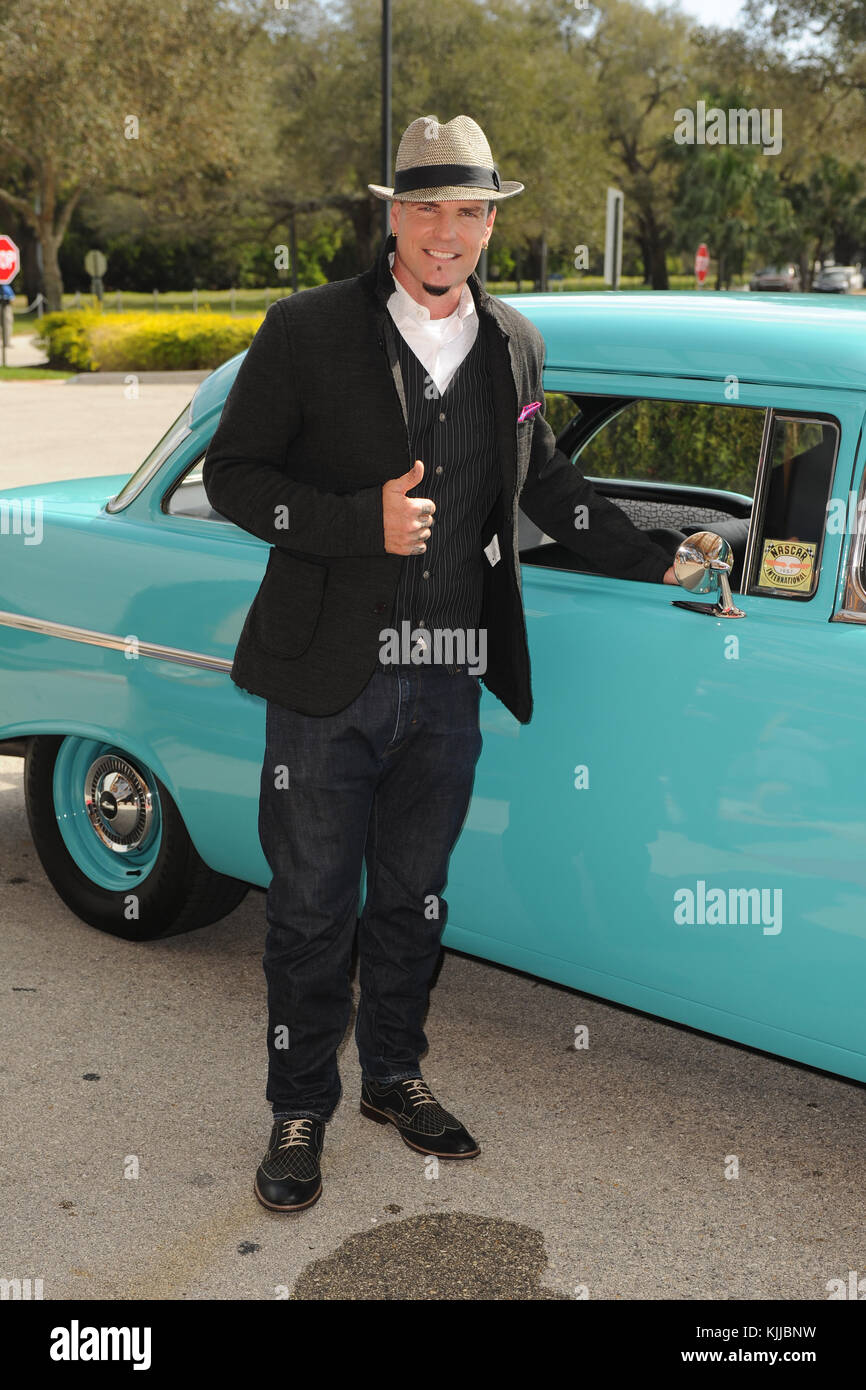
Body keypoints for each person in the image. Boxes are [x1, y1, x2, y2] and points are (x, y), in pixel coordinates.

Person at [203, 114, 677, 1214]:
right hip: (328, 671)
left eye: (468, 210)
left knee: (414, 899)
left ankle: (393, 1075)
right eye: (425, 208)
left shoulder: (513, 340)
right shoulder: (307, 328)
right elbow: (235, 475)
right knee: (313, 904)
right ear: (392, 215)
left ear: (491, 220)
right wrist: (354, 520)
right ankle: (298, 1105)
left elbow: (542, 478)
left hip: (447, 667)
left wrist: (655, 558)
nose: (446, 231)